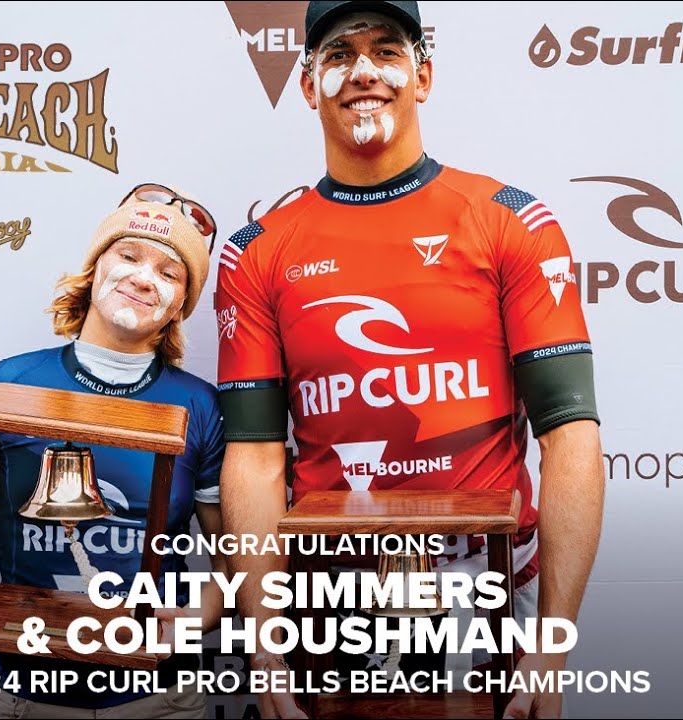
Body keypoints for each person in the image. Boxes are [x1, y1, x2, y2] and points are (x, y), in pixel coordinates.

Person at [213, 2, 604, 718]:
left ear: (422, 76)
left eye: (387, 51)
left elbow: (571, 435)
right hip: (327, 595)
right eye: (339, 55)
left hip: (486, 590)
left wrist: (551, 648)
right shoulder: (256, 250)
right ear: (308, 85)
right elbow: (257, 459)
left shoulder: (511, 219)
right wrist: (266, 652)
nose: (364, 71)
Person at [0, 184, 227, 719]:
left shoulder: (200, 406)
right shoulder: (4, 384)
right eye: (128, 255)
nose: (144, 278)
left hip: (160, 698)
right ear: (95, 268)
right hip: (28, 696)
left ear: (181, 304)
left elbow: (232, 556)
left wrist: (195, 619)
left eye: (169, 272)